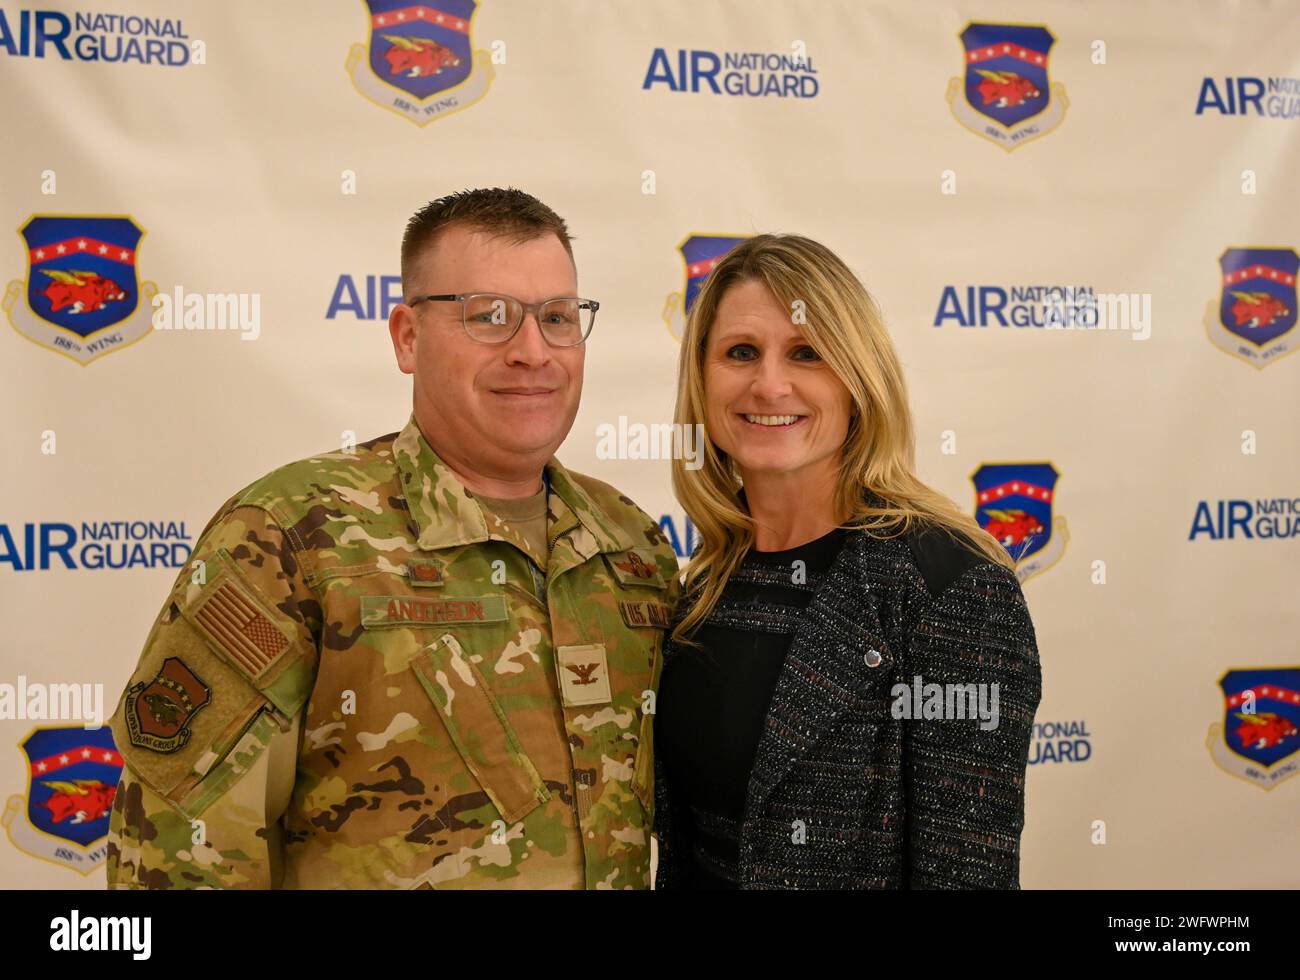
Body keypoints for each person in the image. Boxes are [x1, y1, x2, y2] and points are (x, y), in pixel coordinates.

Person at [105, 187, 678, 889]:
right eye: (489, 316)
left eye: (558, 317)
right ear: (408, 337)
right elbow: (181, 855)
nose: (533, 351)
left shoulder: (631, 548)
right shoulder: (290, 537)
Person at [653, 233, 1042, 889]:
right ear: (701, 377)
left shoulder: (949, 586)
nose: (769, 383)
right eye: (740, 352)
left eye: (807, 353)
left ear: (860, 380)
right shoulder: (705, 588)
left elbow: (967, 873)